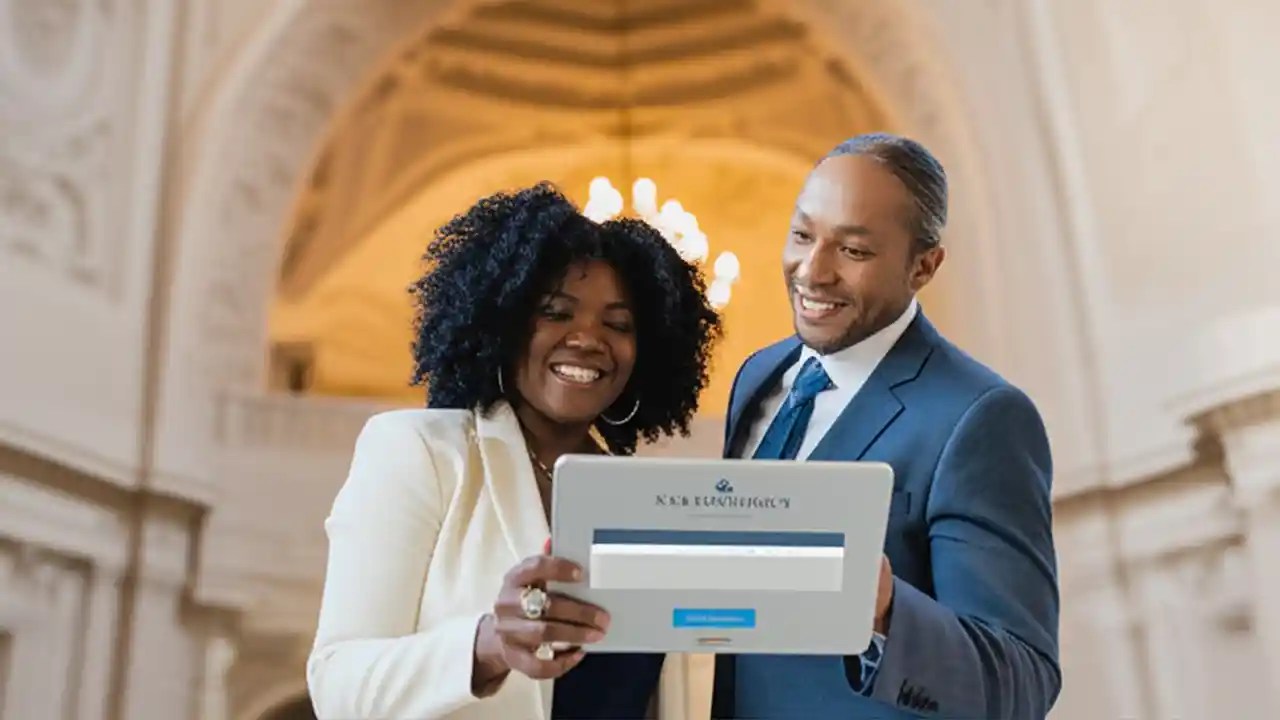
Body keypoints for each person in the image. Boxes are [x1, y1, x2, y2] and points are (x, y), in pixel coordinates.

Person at [306, 182, 722, 719]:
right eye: (556, 312)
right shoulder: (422, 454)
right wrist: (488, 645)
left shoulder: (641, 501)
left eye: (617, 324)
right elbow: (337, 688)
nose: (588, 338)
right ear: (501, 323)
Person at [711, 133, 1061, 719]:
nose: (812, 272)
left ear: (924, 266)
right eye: (802, 235)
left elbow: (1022, 681)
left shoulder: (981, 418)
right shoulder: (759, 377)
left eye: (853, 251)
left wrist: (885, 608)